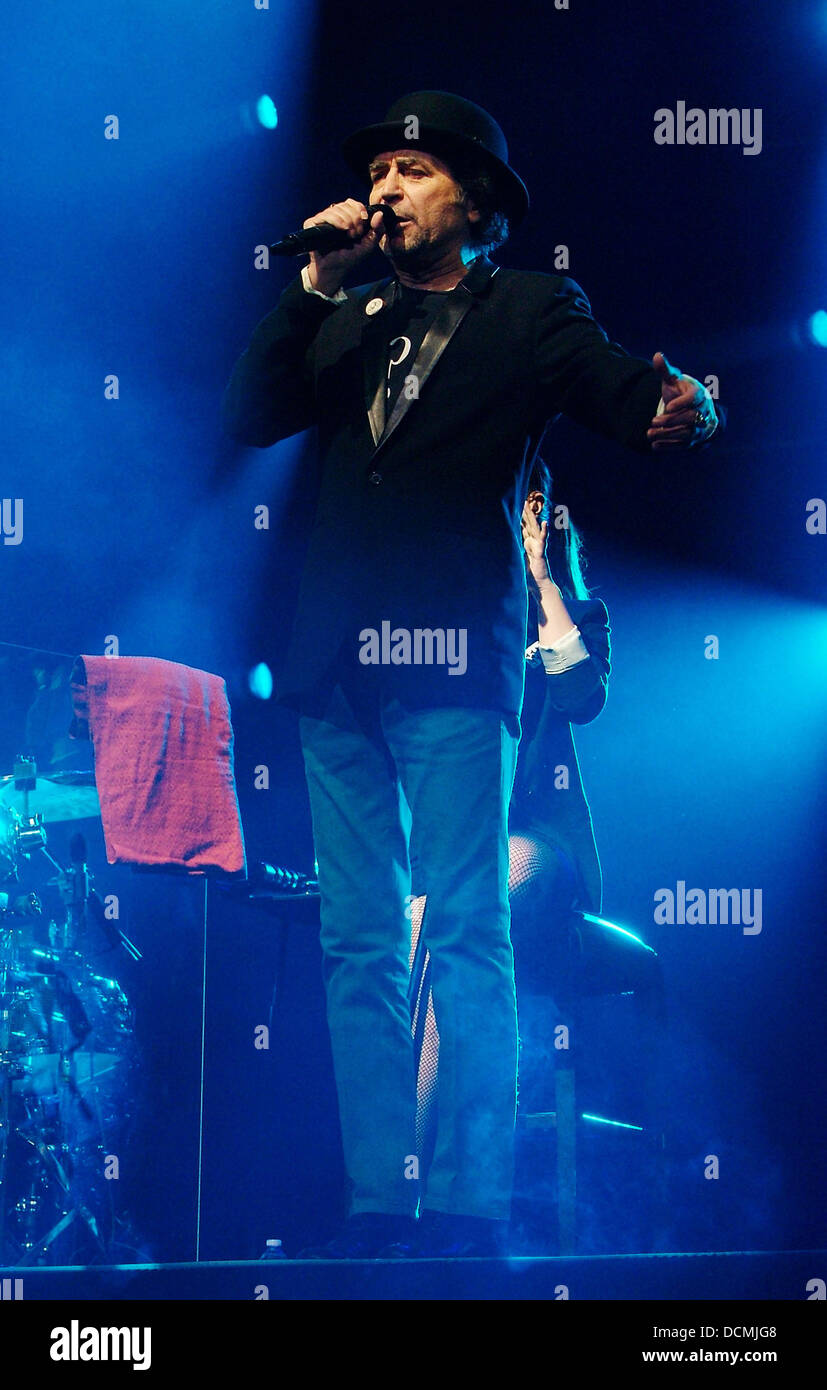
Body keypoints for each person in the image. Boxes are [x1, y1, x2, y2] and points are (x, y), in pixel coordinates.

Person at [222, 90, 723, 1259]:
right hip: (331, 659)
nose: (385, 190)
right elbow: (250, 414)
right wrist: (310, 287)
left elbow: (621, 394)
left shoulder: (533, 307)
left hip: (453, 655)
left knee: (461, 926)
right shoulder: (347, 320)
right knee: (356, 935)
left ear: (478, 203)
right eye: (377, 171)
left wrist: (677, 408)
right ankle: (375, 1197)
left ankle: (460, 1206)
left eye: (411, 170)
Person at [409, 463, 610, 1183]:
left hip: (542, 848)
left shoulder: (574, 616)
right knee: (429, 955)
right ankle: (415, 1201)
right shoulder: (451, 613)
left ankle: (419, 1191)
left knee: (471, 897)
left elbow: (582, 695)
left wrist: (540, 574)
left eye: (532, 504)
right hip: (454, 852)